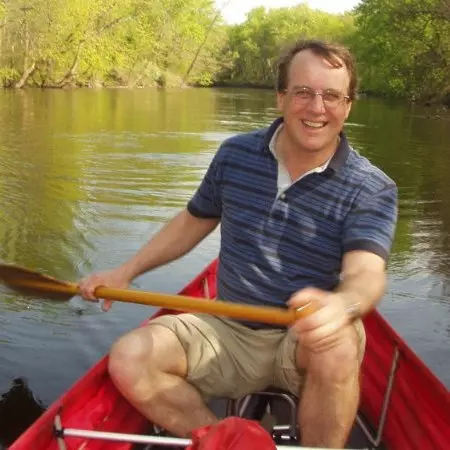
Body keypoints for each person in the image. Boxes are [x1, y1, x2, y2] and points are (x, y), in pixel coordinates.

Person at [79, 39, 398, 448]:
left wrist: (343, 304)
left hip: (301, 340)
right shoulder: (235, 155)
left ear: (348, 105)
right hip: (227, 331)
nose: (317, 108)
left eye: (332, 96)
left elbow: (366, 273)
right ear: (281, 97)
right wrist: (125, 271)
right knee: (130, 357)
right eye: (303, 92)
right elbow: (193, 221)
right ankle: (229, 441)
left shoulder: (371, 188)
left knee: (340, 343)